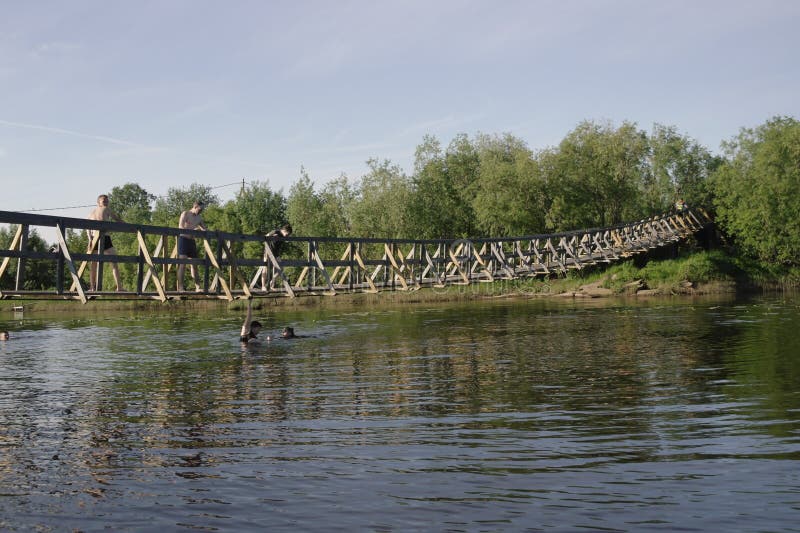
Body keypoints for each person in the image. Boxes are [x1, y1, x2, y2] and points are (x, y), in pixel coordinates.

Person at [87, 194, 123, 291]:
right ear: (98, 202)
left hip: (94, 238)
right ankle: (119, 287)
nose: (106, 203)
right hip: (105, 237)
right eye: (104, 201)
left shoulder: (91, 213)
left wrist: (90, 239)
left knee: (93, 264)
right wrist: (128, 226)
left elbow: (87, 228)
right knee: (114, 262)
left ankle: (92, 288)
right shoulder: (106, 209)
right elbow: (117, 219)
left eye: (107, 201)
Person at [177, 201, 207, 292]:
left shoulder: (199, 218)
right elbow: (180, 227)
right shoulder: (185, 213)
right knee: (182, 264)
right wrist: (193, 230)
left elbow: (205, 229)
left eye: (202, 209)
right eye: (200, 209)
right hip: (183, 240)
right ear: (195, 206)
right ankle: (181, 287)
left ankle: (198, 287)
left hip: (192, 241)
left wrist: (202, 230)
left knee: (194, 265)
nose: (201, 211)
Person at [261, 224, 292, 292]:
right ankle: (263, 286)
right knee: (265, 268)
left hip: (276, 254)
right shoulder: (275, 232)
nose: (287, 236)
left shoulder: (283, 236)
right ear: (284, 230)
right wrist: (271, 237)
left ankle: (271, 283)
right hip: (268, 252)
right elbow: (265, 237)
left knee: (281, 268)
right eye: (287, 234)